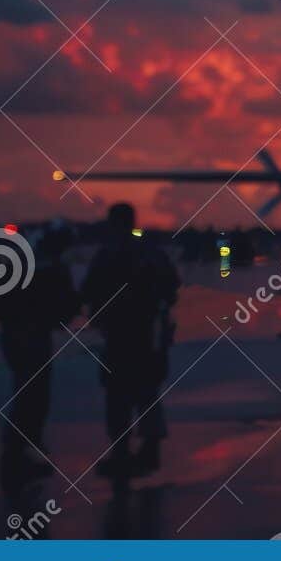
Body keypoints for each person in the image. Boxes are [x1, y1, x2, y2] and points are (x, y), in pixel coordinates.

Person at [80, 203, 180, 481]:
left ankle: (122, 451)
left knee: (118, 396)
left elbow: (88, 290)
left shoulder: (107, 255)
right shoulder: (150, 252)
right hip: (146, 335)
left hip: (121, 336)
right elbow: (172, 288)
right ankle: (149, 449)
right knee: (146, 392)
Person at [0, 224, 80, 492]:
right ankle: (15, 457)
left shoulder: (20, 264)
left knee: (30, 395)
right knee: (32, 397)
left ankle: (19, 454)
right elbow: (66, 306)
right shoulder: (49, 270)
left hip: (17, 336)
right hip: (30, 338)